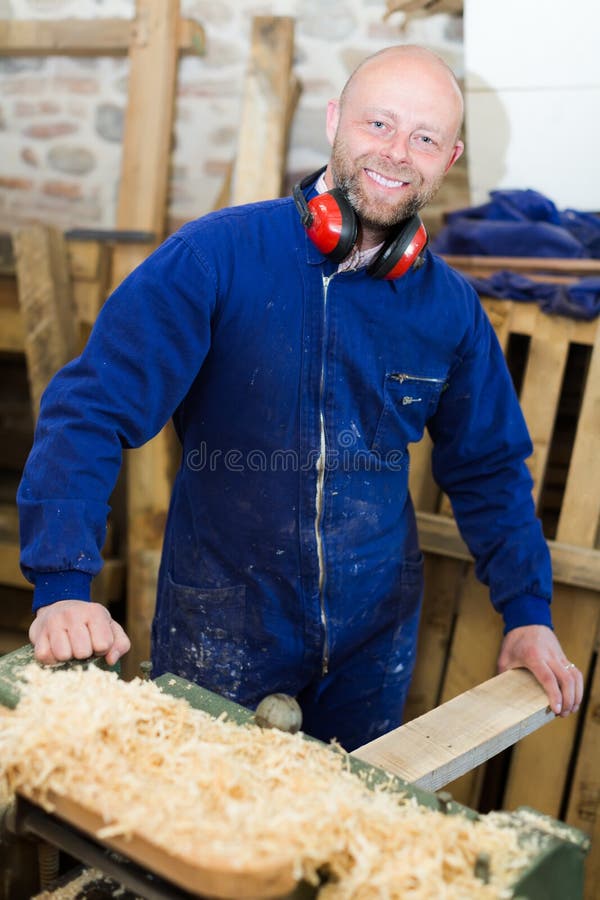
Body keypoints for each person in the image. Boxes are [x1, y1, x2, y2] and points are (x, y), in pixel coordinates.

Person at [19, 45, 583, 751]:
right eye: (379, 124)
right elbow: (90, 411)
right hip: (222, 622)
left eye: (425, 137)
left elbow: (490, 468)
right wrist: (63, 586)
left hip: (372, 640)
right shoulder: (214, 259)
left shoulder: (451, 310)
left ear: (450, 157)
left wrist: (528, 612)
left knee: (348, 816)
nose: (398, 152)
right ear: (334, 120)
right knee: (201, 812)